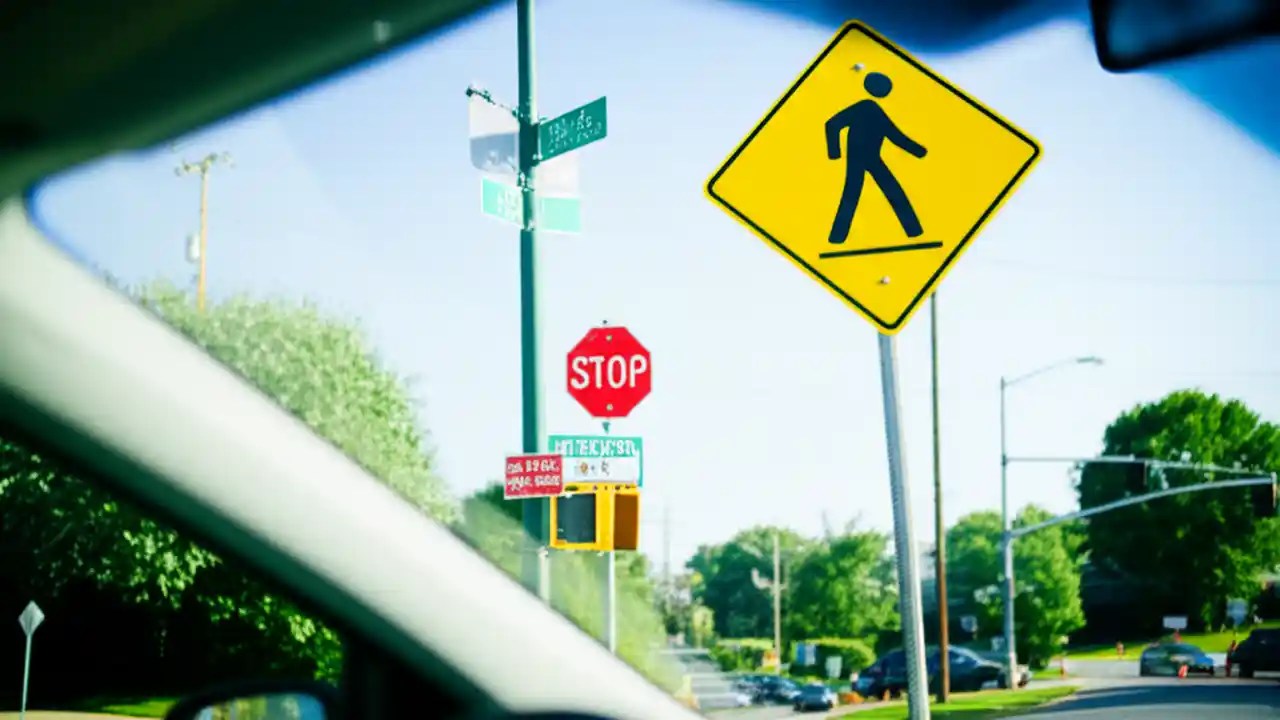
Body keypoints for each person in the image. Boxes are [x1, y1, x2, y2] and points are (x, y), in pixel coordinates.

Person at [824, 71, 927, 246]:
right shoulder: (865, 107)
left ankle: (914, 231)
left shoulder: (874, 110)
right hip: (857, 157)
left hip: (871, 157)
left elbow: (894, 135)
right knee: (856, 194)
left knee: (887, 191)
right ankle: (837, 237)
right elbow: (832, 124)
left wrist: (919, 151)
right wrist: (834, 153)